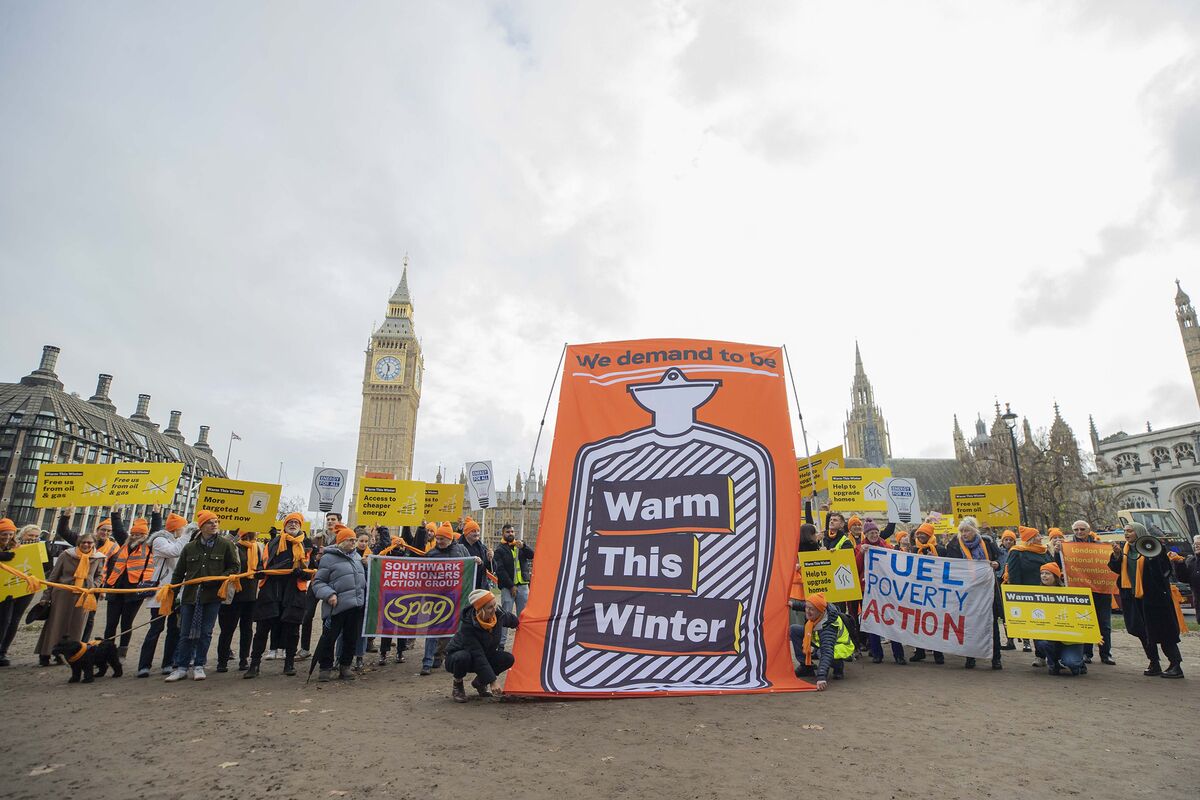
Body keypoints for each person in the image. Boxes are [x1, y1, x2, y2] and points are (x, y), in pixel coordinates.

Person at [166, 510, 240, 682]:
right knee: (185, 632)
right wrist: (172, 596)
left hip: (212, 596)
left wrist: (217, 579)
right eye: (210, 522)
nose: (214, 524)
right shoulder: (190, 547)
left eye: (216, 521)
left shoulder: (226, 545)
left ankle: (199, 665)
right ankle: (181, 667)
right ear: (201, 526)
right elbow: (179, 573)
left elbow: (234, 567)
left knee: (205, 633)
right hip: (190, 596)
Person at [1109, 522, 1185, 679]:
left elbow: (1164, 569)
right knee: (1142, 632)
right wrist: (1116, 556)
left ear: (1139, 532)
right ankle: (1154, 663)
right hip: (1132, 597)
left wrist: (1151, 557)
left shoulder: (1152, 546)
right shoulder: (1125, 549)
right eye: (1125, 531)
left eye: (1130, 531)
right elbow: (1117, 570)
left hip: (1154, 598)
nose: (1126, 534)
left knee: (1163, 631)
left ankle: (1175, 664)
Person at [246, 512, 312, 679]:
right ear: (284, 525)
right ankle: (254, 664)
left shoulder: (306, 544)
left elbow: (311, 570)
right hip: (271, 589)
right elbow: (263, 563)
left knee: (292, 630)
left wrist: (302, 573)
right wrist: (260, 571)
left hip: (294, 590)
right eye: (290, 522)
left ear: (300, 525)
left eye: (296, 522)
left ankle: (289, 663)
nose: (293, 524)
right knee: (262, 629)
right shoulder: (273, 543)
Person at [34, 531, 106, 666]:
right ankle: (46, 653)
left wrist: (93, 586)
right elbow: (54, 576)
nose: (86, 545)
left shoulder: (98, 558)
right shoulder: (66, 555)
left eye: (89, 542)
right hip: (63, 595)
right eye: (83, 542)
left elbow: (99, 575)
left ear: (94, 544)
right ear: (79, 543)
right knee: (55, 625)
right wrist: (46, 597)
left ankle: (69, 655)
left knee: (76, 627)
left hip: (84, 596)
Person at [944, 516, 1004, 670]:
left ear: (974, 531)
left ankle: (996, 658)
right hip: (967, 592)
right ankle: (970, 657)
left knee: (991, 624)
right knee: (968, 623)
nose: (964, 534)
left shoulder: (987, 542)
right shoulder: (954, 545)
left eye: (967, 531)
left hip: (987, 591)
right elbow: (951, 566)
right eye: (962, 531)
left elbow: (1000, 557)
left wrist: (997, 564)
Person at [312, 525, 367, 682]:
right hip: (335, 607)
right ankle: (325, 668)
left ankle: (345, 666)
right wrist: (329, 594)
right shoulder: (328, 558)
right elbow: (318, 582)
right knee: (329, 639)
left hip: (355, 607)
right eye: (350, 540)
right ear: (341, 541)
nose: (353, 542)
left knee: (350, 639)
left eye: (354, 540)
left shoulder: (357, 558)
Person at [136, 513, 188, 677]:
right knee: (156, 629)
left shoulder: (182, 540)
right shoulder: (160, 540)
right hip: (161, 592)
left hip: (177, 592)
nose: (185, 530)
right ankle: (144, 665)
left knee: (174, 630)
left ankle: (168, 663)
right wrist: (187, 534)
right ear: (177, 528)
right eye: (183, 527)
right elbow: (174, 551)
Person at [101, 512, 159, 658]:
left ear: (145, 535)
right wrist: (115, 513)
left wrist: (156, 514)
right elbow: (118, 530)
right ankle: (107, 650)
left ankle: (122, 651)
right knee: (111, 623)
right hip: (116, 588)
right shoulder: (124, 543)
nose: (134, 536)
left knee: (126, 623)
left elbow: (156, 530)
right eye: (133, 534)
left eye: (138, 534)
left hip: (135, 591)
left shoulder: (148, 545)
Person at [445, 588, 518, 702]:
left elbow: (513, 620)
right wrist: (492, 681)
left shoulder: (499, 614)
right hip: (460, 658)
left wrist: (522, 624)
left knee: (508, 658)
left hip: (483, 654)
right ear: (480, 609)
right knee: (462, 657)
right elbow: (477, 655)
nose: (494, 609)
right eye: (490, 607)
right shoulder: (468, 626)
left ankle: (480, 683)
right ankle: (457, 685)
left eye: (494, 605)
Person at [1061, 519, 1115, 665]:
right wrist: (1058, 552)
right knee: (1084, 622)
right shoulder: (1067, 547)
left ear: (1088, 530)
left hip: (1101, 590)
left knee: (1104, 624)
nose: (1079, 532)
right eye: (1076, 530)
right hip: (1081, 591)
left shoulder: (1099, 546)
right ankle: (1086, 653)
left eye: (1082, 529)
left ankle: (1106, 654)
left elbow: (1110, 564)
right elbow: (1061, 566)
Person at [419, 523, 470, 675]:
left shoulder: (461, 550)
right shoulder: (431, 554)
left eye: (442, 539)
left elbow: (469, 567)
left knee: (453, 630)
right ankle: (427, 663)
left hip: (455, 597)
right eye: (438, 538)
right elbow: (423, 575)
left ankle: (448, 659)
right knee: (433, 629)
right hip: (436, 598)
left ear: (450, 538)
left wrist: (478, 562)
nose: (439, 541)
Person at [856, 521, 906, 665]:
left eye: (876, 532)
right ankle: (877, 653)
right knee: (872, 622)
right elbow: (856, 567)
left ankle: (899, 655)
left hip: (887, 590)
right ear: (865, 534)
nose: (874, 535)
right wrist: (861, 553)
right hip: (869, 590)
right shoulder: (860, 548)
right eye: (871, 533)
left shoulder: (887, 547)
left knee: (892, 620)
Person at [216, 528, 263, 673]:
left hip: (251, 596)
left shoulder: (258, 547)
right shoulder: (232, 546)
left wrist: (260, 571)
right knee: (227, 630)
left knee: (247, 630)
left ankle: (244, 659)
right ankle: (222, 661)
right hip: (233, 596)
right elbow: (222, 548)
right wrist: (233, 533)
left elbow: (261, 565)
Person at [788, 592, 852, 690]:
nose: (807, 611)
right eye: (807, 608)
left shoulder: (829, 628)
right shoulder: (820, 611)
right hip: (820, 638)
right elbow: (808, 605)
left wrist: (821, 677)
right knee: (794, 630)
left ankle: (838, 666)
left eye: (811, 609)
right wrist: (792, 604)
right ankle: (806, 667)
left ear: (820, 611)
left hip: (839, 646)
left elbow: (827, 652)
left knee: (821, 652)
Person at [1033, 563, 1086, 676]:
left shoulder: (1068, 593)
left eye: (1047, 573)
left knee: (1072, 664)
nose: (1044, 576)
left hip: (1070, 639)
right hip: (1050, 636)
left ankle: (1079, 663)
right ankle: (1053, 664)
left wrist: (1092, 633)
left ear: (1055, 576)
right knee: (1042, 642)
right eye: (1042, 573)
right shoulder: (1035, 594)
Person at [908, 522, 945, 665]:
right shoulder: (914, 549)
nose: (920, 536)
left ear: (929, 535)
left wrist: (935, 560)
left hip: (935, 591)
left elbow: (948, 568)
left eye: (923, 534)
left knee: (935, 623)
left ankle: (938, 653)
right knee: (918, 622)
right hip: (918, 591)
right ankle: (919, 651)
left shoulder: (940, 549)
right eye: (918, 534)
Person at [492, 524, 533, 650]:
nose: (510, 533)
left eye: (512, 531)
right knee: (505, 615)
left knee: (523, 615)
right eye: (508, 532)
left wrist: (524, 546)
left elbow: (532, 555)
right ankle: (501, 644)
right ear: (503, 534)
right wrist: (511, 586)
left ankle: (524, 641)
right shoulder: (499, 550)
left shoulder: (520, 545)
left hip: (523, 585)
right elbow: (500, 570)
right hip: (507, 587)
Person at [0, 520, 36, 667]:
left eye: (10, 534)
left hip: (21, 587)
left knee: (14, 620)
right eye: (4, 534)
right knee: (4, 620)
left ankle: (3, 651)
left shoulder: (18, 547)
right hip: (4, 588)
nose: (7, 537)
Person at [1171, 535, 1200, 622]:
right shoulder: (1191, 561)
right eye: (1195, 544)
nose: (1196, 546)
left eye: (1199, 544)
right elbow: (1183, 578)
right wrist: (1179, 563)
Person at [459, 518, 492, 591]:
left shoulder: (482, 547)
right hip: (465, 588)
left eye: (478, 531)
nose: (477, 533)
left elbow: (492, 569)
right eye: (473, 531)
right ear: (467, 533)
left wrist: (490, 559)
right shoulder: (458, 547)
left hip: (481, 587)